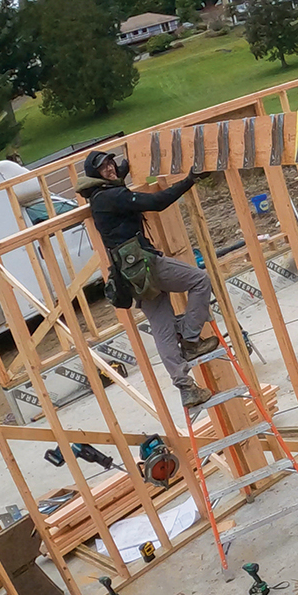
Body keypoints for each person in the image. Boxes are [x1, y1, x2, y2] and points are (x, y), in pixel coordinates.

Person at [74, 150, 218, 408]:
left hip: (131, 276)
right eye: (104, 167)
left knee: (162, 328)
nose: (110, 168)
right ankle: (190, 339)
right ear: (96, 174)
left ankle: (186, 388)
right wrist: (190, 179)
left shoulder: (99, 196)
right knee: (199, 281)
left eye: (111, 164)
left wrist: (123, 169)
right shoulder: (112, 196)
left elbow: (116, 185)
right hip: (147, 265)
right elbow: (158, 201)